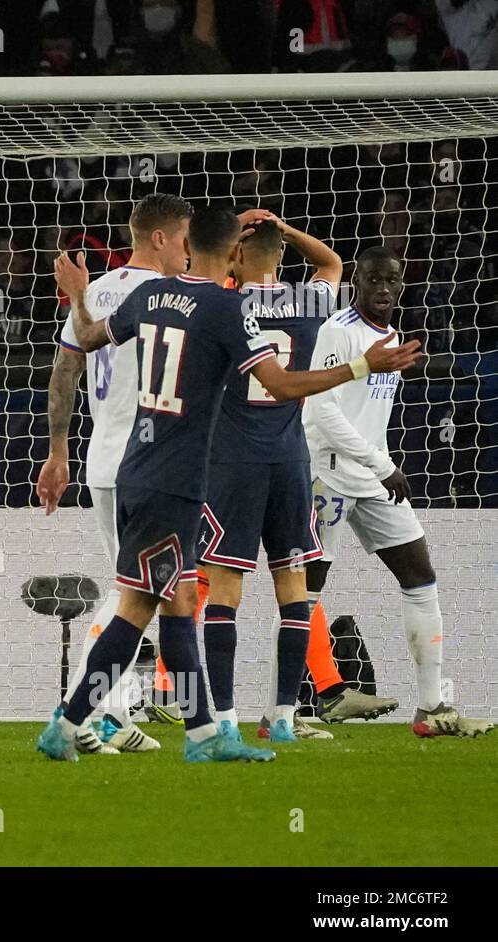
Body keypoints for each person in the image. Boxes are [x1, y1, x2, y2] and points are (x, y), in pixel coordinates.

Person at [41, 205, 420, 763]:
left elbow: (88, 337)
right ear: (236, 253)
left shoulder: (150, 295)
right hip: (175, 478)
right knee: (138, 610)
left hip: (141, 467)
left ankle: (201, 736)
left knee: (180, 602)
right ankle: (67, 722)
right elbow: (282, 383)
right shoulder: (223, 308)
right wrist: (361, 366)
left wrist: (77, 293)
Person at [194, 213, 387, 744]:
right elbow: (331, 262)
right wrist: (283, 228)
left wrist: (231, 229)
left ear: (235, 254)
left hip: (232, 463)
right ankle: (283, 716)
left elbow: (201, 268)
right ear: (282, 256)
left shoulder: (223, 304)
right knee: (293, 591)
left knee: (225, 592)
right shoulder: (312, 302)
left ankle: (226, 719)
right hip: (290, 460)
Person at [303, 245, 495, 738]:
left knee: (420, 574)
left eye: (391, 280)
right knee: (304, 590)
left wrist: (379, 462)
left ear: (401, 283)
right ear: (358, 282)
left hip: (371, 477)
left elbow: (369, 417)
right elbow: (322, 412)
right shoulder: (337, 331)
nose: (383, 289)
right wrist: (381, 463)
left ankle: (431, 709)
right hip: (328, 475)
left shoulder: (390, 337)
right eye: (373, 280)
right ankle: (283, 710)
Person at [37, 192, 193, 755]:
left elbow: (65, 370)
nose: (188, 251)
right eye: (183, 239)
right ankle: (89, 714)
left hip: (104, 460)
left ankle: (105, 711)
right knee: (135, 596)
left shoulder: (97, 293)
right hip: (145, 464)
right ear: (158, 238)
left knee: (137, 593)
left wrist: (59, 451)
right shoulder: (166, 297)